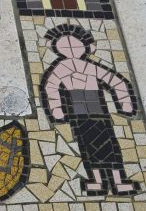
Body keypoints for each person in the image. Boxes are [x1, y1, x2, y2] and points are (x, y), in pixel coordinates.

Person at [41, 24, 140, 196]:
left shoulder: (88, 67)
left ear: (88, 48)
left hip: (98, 110)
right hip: (79, 112)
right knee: (88, 146)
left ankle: (117, 181)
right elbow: (51, 87)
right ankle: (98, 181)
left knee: (109, 146)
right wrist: (57, 111)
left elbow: (115, 81)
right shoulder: (62, 68)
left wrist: (125, 103)